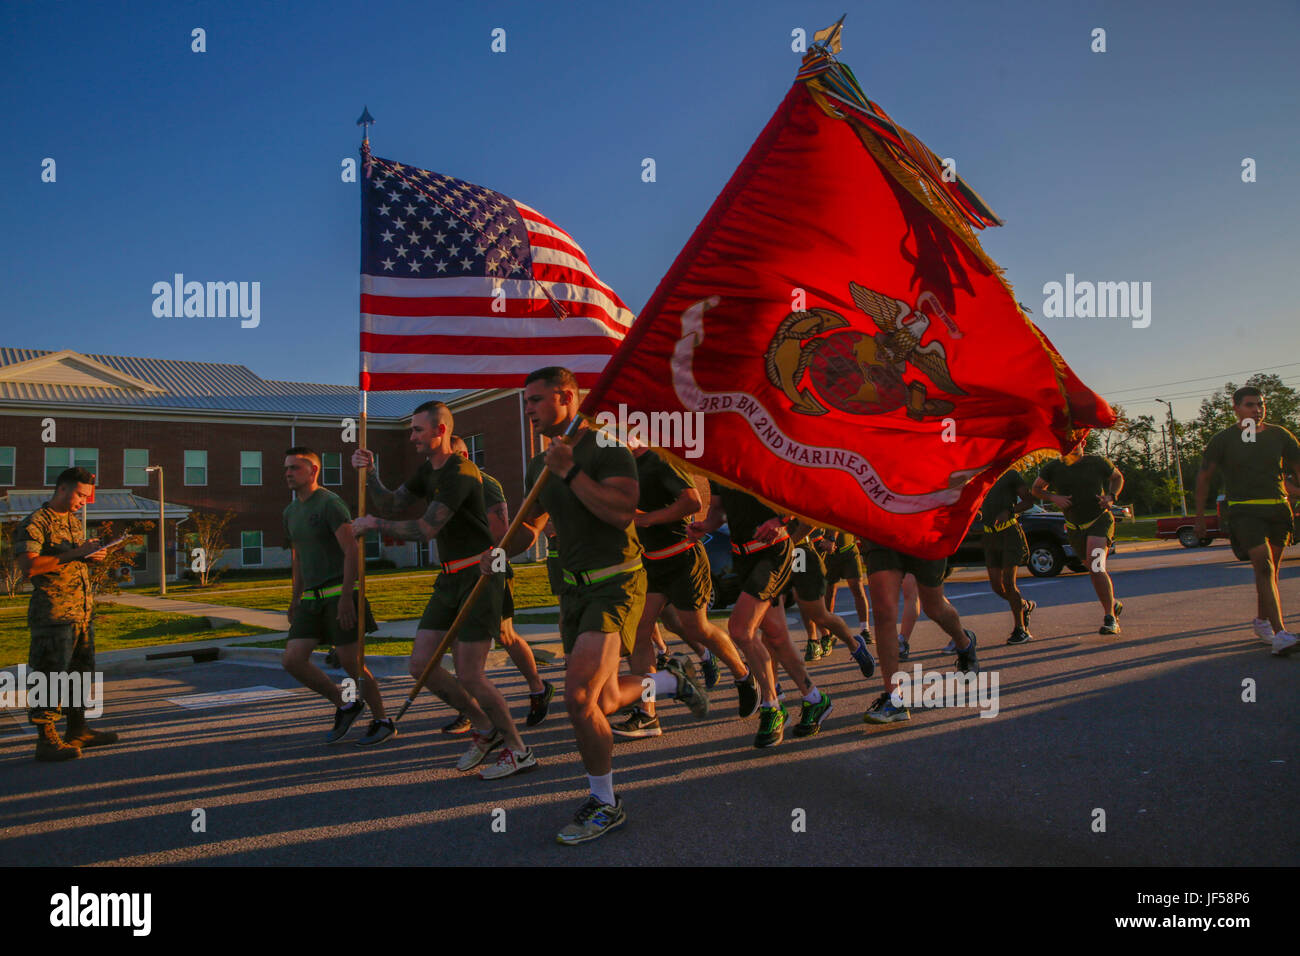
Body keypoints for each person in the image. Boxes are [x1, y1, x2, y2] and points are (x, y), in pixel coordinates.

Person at [494, 367, 707, 844]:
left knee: (578, 699)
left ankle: (605, 803)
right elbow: (531, 528)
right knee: (605, 699)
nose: (527, 410)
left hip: (616, 583)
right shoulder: (537, 463)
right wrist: (502, 542)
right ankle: (669, 681)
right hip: (572, 587)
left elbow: (618, 512)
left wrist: (568, 470)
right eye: (525, 402)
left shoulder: (607, 448)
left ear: (567, 397)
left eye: (535, 401)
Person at [351, 401, 537, 780]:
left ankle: (518, 748)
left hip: (480, 575)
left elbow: (425, 529)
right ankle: (483, 727)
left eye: (418, 430)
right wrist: (370, 474)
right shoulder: (428, 470)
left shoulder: (461, 472)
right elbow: (391, 502)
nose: (412, 436)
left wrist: (373, 525)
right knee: (420, 666)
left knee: (471, 674)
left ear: (440, 431)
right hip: (449, 577)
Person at [614, 444, 754, 738]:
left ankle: (743, 675)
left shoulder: (662, 460)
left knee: (697, 628)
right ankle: (647, 713)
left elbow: (692, 502)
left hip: (683, 558)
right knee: (640, 633)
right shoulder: (623, 467)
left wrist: (650, 518)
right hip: (651, 564)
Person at [688, 483, 829, 746]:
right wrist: (706, 526)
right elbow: (718, 510)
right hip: (743, 557)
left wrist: (782, 519)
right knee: (776, 636)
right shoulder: (718, 462)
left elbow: (806, 492)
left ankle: (771, 706)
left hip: (773, 552)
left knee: (740, 629)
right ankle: (815, 699)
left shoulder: (759, 448)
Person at [280, 448, 392, 745]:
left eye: (295, 468)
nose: (289, 473)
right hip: (310, 599)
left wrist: (346, 597)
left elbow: (351, 550)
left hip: (338, 595)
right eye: (287, 468)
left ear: (314, 471)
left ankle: (382, 720)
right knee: (292, 660)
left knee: (351, 663)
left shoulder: (330, 504)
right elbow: (298, 559)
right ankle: (346, 703)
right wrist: (295, 598)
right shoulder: (290, 512)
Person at [16, 468, 121, 761]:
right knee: (48, 675)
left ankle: (78, 730)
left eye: (86, 497)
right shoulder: (36, 523)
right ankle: (46, 741)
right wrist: (76, 554)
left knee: (79, 674)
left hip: (81, 612)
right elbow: (29, 567)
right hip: (54, 614)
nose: (82, 502)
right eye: (79, 495)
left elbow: (71, 560)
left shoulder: (73, 522)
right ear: (62, 489)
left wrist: (92, 556)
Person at [451, 435, 554, 726]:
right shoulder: (444, 488)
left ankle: (537, 688)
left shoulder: (486, 485)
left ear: (467, 457)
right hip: (459, 573)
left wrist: (491, 564)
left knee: (503, 633)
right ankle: (469, 709)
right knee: (458, 638)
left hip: (489, 569)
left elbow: (501, 535)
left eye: (456, 458)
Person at [1195, 386, 1300, 655]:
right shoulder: (1223, 439)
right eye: (1251, 405)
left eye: (1261, 405)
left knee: (1271, 572)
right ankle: (1281, 634)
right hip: (1244, 512)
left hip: (1278, 510)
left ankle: (1262, 621)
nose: (1258, 409)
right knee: (1263, 568)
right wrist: (1200, 518)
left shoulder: (1279, 435)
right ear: (1236, 408)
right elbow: (1204, 477)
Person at [861, 540, 978, 724]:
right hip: (882, 533)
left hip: (922, 529)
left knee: (933, 607)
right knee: (883, 612)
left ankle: (964, 642)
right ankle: (894, 699)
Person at [1033, 450, 1125, 634]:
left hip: (1100, 520)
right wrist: (1053, 497)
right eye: (1067, 443)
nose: (1073, 446)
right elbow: (1036, 489)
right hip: (1075, 527)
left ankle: (1110, 618)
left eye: (1077, 441)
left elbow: (1117, 478)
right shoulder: (1053, 467)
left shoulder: (1097, 462)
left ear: (1083, 443)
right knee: (1092, 568)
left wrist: (1111, 497)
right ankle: (1112, 603)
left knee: (1097, 566)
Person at [784, 527, 876, 681]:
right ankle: (772, 694)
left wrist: (830, 537)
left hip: (799, 549)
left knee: (810, 605)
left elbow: (811, 521)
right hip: (771, 551)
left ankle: (853, 642)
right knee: (771, 620)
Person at [978, 467, 1037, 645]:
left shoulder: (1010, 474)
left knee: (1009, 583)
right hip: (989, 536)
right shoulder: (979, 475)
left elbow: (1029, 501)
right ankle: (1024, 606)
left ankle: (1021, 629)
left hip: (1009, 534)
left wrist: (1010, 511)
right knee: (996, 586)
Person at [823, 530, 872, 649]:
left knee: (857, 589)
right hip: (829, 554)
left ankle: (865, 629)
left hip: (849, 551)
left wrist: (866, 550)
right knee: (829, 593)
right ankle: (829, 633)